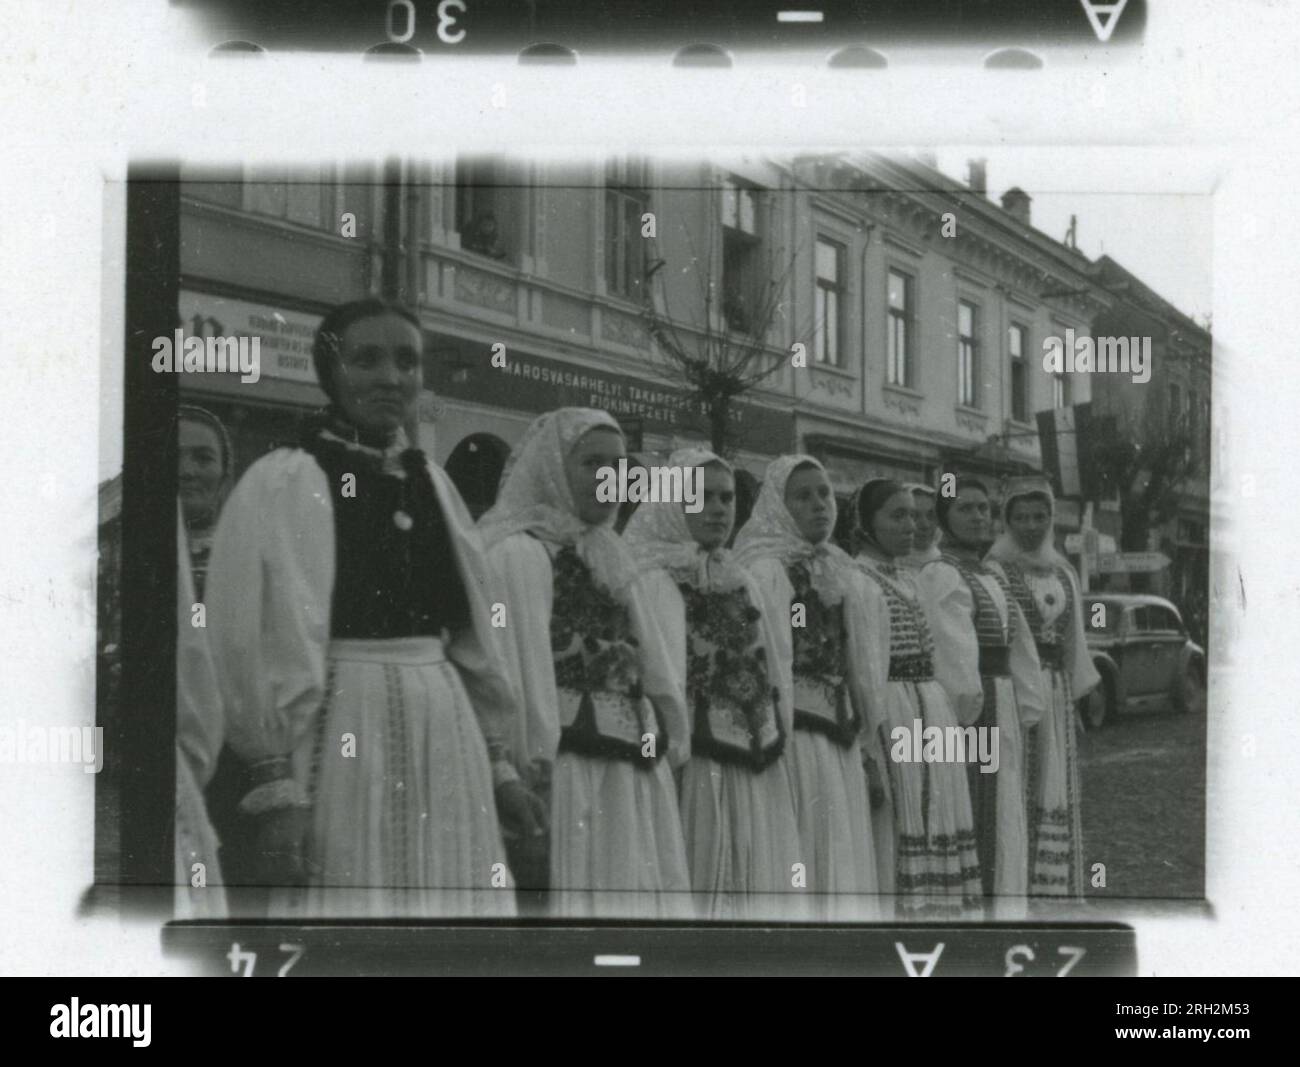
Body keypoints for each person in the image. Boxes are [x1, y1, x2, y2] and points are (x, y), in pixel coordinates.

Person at [204, 297, 532, 917]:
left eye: (406, 361)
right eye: (367, 359)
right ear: (331, 373)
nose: (390, 377)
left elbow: (475, 635)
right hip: (337, 726)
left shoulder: (432, 483)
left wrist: (500, 765)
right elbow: (247, 636)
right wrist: (275, 788)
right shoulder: (287, 480)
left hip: (445, 732)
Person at [479, 408, 692, 918]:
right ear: (553, 467)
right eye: (593, 463)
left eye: (618, 465)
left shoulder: (610, 552)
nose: (609, 478)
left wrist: (668, 741)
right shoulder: (517, 553)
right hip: (567, 769)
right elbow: (514, 672)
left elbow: (655, 668)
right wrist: (528, 771)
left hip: (633, 771)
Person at [623, 448, 801, 918]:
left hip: (753, 758)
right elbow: (661, 683)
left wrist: (776, 734)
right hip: (694, 764)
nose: (719, 508)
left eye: (726, 498)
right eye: (701, 497)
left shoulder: (740, 578)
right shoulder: (652, 579)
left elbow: (775, 668)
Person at [733, 455, 881, 920]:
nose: (819, 505)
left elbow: (860, 666)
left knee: (840, 849)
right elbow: (772, 661)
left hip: (839, 737)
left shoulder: (839, 569)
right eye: (803, 496)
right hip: (793, 738)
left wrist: (868, 742)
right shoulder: (767, 572)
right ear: (778, 506)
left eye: (824, 494)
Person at [852, 478, 982, 917]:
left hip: (930, 710)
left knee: (938, 815)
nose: (911, 525)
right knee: (900, 820)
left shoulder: (907, 577)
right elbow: (863, 668)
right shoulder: (856, 580)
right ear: (867, 523)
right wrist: (871, 746)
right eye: (897, 515)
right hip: (894, 713)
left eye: (915, 515)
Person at [916, 477, 1044, 911]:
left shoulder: (990, 573)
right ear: (944, 519)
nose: (977, 517)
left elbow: (1020, 645)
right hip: (973, 710)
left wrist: (1028, 705)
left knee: (1004, 801)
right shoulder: (941, 574)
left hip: (1002, 700)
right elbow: (950, 652)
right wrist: (966, 713)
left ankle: (1004, 903)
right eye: (965, 509)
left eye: (983, 509)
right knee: (978, 800)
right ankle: (980, 907)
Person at [986, 476, 1100, 900]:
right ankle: (1019, 884)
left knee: (1055, 779)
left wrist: (1074, 700)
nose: (1031, 525)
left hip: (1056, 689)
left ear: (1052, 519)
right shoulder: (995, 569)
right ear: (1007, 520)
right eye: (1021, 517)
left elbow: (1075, 641)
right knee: (1021, 779)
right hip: (1017, 689)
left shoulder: (1064, 572)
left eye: (1040, 516)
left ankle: (1054, 887)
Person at [175, 502, 227, 919]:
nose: (191, 470)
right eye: (182, 457)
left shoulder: (234, 549)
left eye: (205, 458)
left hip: (228, 727)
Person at [177, 404, 234, 603]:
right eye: (174, 457)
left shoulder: (245, 557)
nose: (186, 471)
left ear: (224, 475)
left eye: (203, 458)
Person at [901, 483, 941, 569]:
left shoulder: (944, 566)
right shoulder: (886, 563)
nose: (925, 525)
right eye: (914, 516)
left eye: (931, 516)